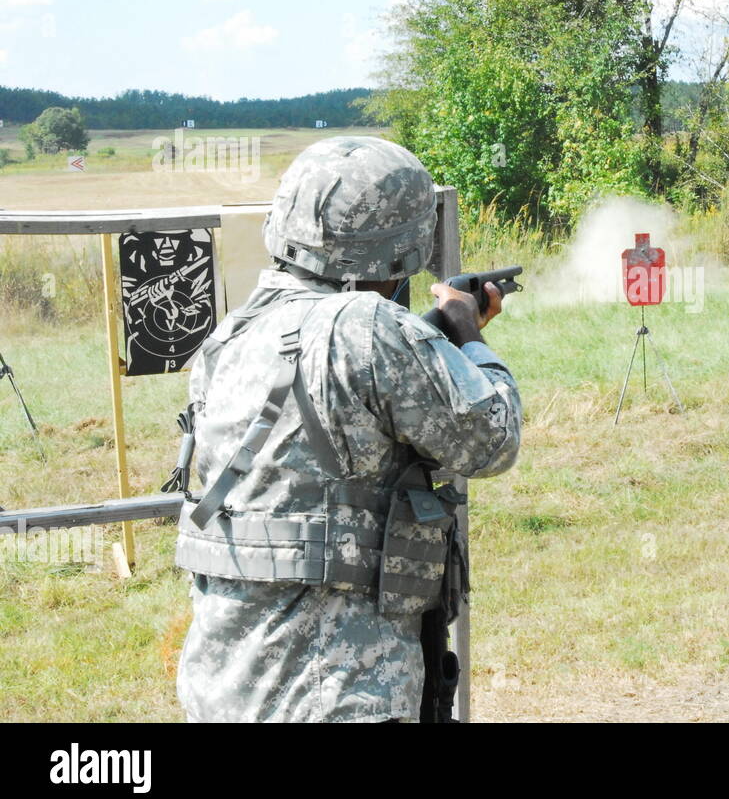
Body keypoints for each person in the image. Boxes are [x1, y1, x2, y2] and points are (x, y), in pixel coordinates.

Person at [169, 135, 522, 722]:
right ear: (405, 242)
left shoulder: (232, 335)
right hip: (337, 689)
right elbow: (492, 441)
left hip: (224, 686)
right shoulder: (371, 327)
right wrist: (468, 335)